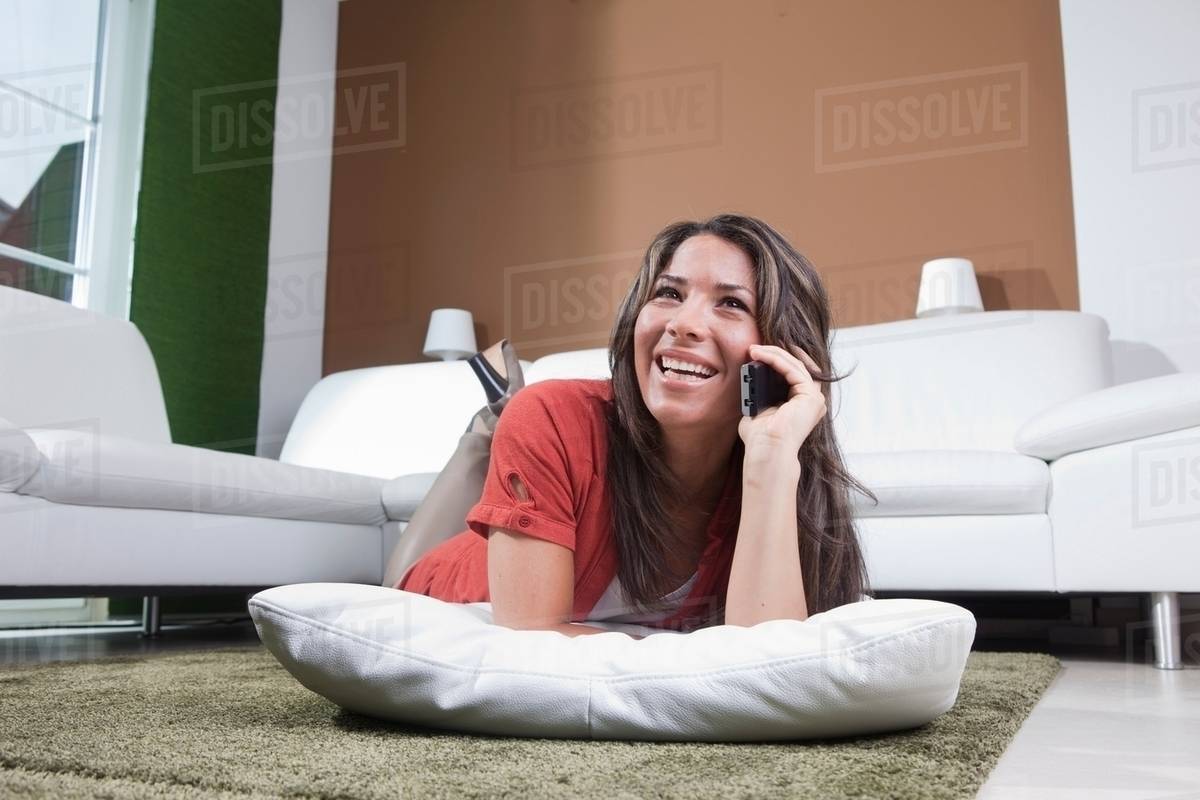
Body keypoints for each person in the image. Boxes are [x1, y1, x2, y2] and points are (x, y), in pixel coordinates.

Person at [395, 213, 877, 637]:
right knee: (515, 424)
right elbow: (533, 640)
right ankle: (494, 418)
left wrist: (771, 459)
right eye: (669, 293)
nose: (683, 323)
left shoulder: (776, 473)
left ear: (784, 354)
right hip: (435, 575)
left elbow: (768, 659)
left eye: (731, 303)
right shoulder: (550, 417)